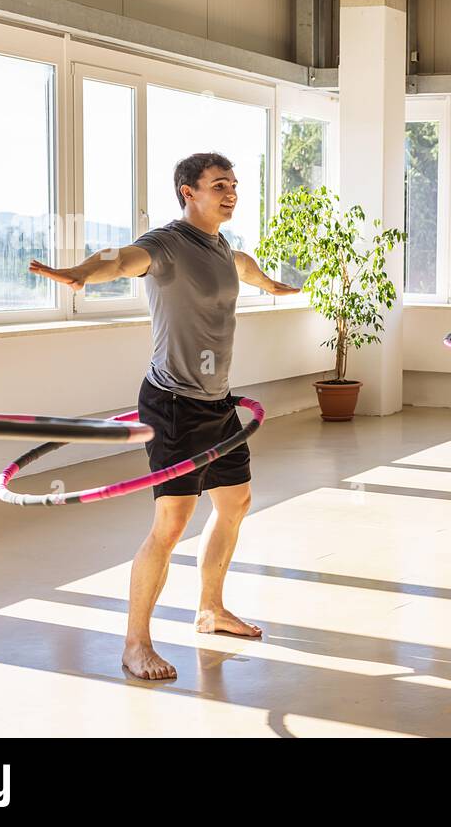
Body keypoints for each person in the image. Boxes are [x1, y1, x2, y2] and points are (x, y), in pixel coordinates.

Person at [29, 153, 298, 680]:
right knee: (170, 525)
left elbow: (244, 267)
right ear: (186, 192)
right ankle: (135, 644)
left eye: (234, 185)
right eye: (219, 185)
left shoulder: (223, 248)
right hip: (174, 402)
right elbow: (119, 259)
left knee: (236, 501)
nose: (231, 192)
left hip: (218, 402)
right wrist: (83, 274)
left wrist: (274, 286)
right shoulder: (167, 244)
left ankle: (210, 609)